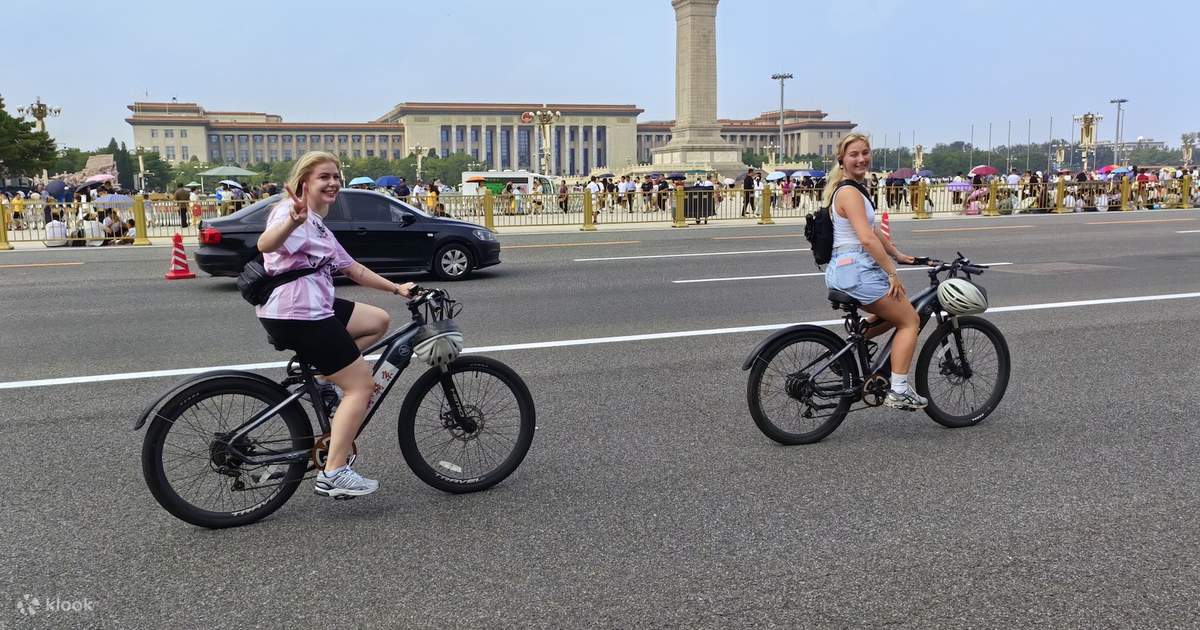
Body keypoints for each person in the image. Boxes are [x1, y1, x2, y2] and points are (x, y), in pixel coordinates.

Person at [255, 151, 416, 498]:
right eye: (323, 177)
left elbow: (353, 269)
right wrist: (291, 223)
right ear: (304, 182)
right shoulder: (291, 213)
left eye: (336, 177)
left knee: (378, 320)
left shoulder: (317, 223)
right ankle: (334, 472)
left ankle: (330, 374)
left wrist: (397, 288)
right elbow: (265, 244)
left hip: (314, 307)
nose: (332, 183)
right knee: (361, 386)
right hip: (299, 315)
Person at [822, 133, 931, 411]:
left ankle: (846, 351)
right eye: (854, 154)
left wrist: (897, 254)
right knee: (909, 320)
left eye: (865, 152)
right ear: (842, 160)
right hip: (856, 271)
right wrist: (892, 273)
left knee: (890, 313)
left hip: (844, 270)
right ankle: (899, 390)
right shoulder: (849, 192)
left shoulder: (851, 189)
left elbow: (873, 231)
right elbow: (866, 239)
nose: (861, 159)